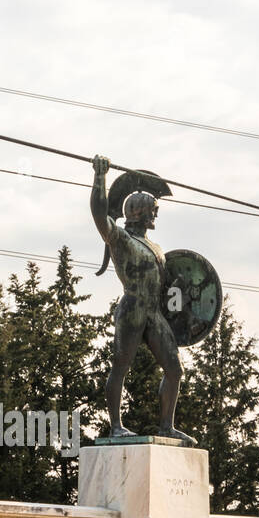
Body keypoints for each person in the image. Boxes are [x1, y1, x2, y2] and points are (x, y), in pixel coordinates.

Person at [90, 154, 194, 444]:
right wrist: (100, 177)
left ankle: (166, 426)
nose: (156, 215)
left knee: (175, 369)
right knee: (121, 366)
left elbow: (166, 286)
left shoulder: (156, 247)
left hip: (153, 312)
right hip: (132, 309)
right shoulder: (121, 239)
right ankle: (116, 426)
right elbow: (100, 217)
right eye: (153, 210)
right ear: (139, 212)